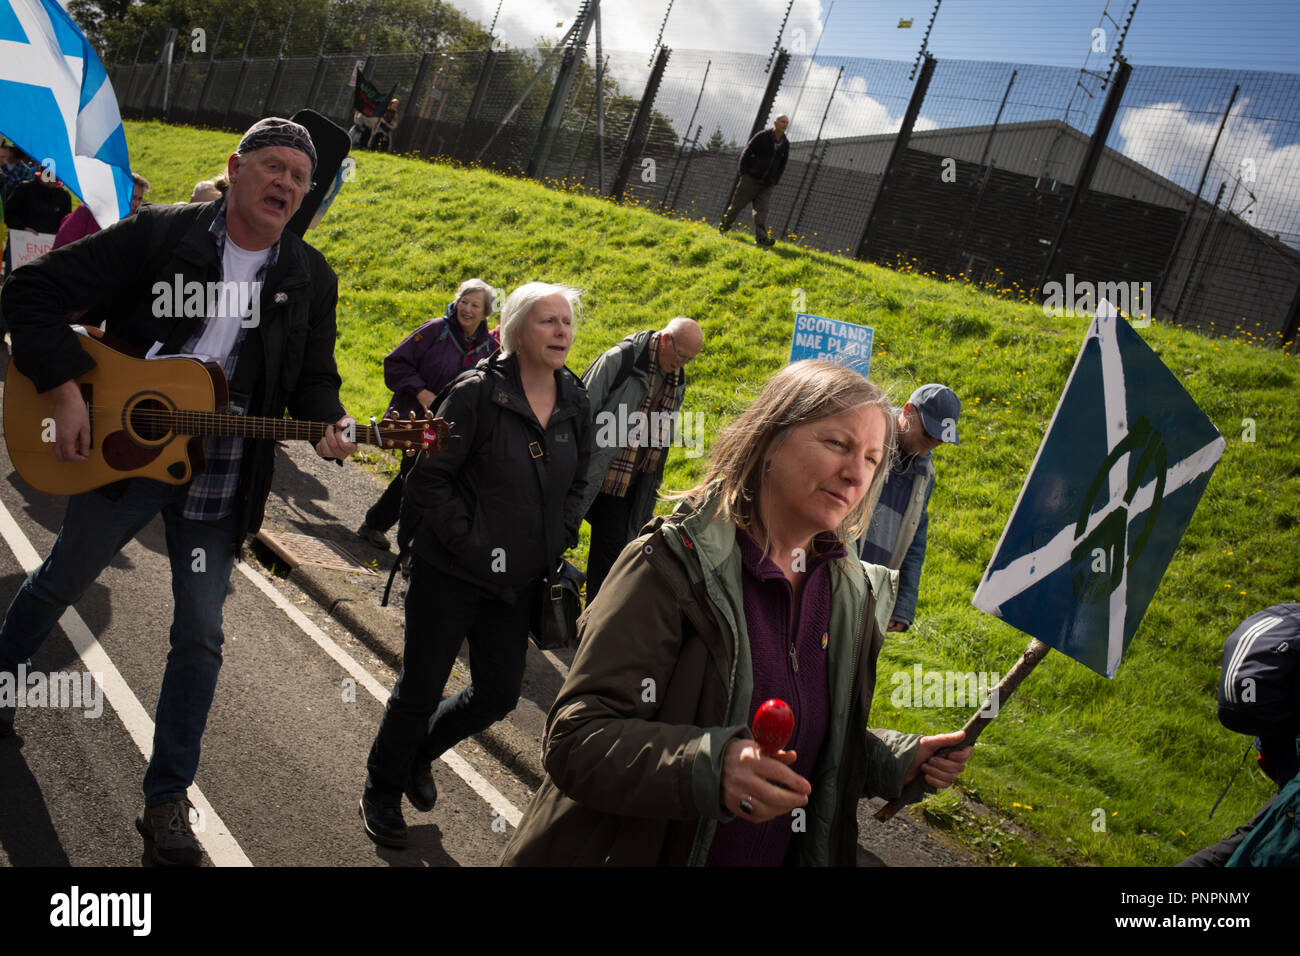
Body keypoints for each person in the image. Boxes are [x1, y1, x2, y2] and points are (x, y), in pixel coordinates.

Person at [0, 117, 357, 866]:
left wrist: (332, 421)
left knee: (201, 634)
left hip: (220, 474)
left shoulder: (309, 277)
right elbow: (28, 291)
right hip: (123, 445)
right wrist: (64, 389)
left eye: (300, 176)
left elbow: (315, 378)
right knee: (64, 575)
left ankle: (166, 801)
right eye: (273, 166)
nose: (286, 183)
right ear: (235, 167)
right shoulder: (159, 237)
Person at [500, 360, 973, 866]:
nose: (856, 473)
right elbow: (577, 740)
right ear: (770, 440)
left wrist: (891, 763)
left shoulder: (850, 594)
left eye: (872, 458)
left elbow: (816, 738)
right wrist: (710, 768)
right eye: (837, 444)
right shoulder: (669, 567)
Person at [360, 282, 591, 849]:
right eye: (548, 322)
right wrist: (473, 546)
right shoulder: (472, 393)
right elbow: (427, 480)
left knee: (499, 695)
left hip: (518, 582)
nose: (562, 331)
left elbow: (579, 481)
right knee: (420, 687)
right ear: (515, 330)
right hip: (451, 573)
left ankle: (417, 752)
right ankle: (381, 791)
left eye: (567, 322)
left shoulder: (575, 400)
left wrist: (556, 537)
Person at [357, 278, 499, 552]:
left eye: (475, 305)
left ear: (486, 313)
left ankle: (374, 524)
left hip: (452, 430)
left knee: (416, 479)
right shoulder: (436, 330)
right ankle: (410, 550)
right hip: (414, 422)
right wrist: (421, 392)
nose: (467, 309)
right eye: (464, 302)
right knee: (419, 478)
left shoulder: (488, 350)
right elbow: (395, 363)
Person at [578, 316, 703, 605]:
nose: (682, 365)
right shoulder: (620, 360)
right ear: (664, 340)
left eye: (690, 360)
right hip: (593, 470)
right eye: (681, 356)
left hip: (629, 481)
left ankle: (594, 621)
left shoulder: (676, 379)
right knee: (558, 538)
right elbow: (580, 412)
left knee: (611, 556)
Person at [856, 383, 961, 632]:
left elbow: (916, 540)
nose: (930, 446)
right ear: (908, 410)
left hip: (874, 591)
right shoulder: (865, 441)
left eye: (939, 441)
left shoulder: (926, 475)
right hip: (835, 575)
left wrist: (903, 603)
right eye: (927, 434)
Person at [719, 114, 790, 246]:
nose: (784, 124)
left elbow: (782, 164)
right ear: (775, 123)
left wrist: (774, 180)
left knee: (761, 211)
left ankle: (761, 239)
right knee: (737, 206)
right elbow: (746, 152)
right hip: (751, 179)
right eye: (782, 121)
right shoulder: (762, 136)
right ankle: (723, 229)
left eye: (786, 122)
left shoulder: (785, 144)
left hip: (767, 184)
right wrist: (744, 173)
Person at [52, 173, 151, 249]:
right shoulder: (89, 211)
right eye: (133, 197)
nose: (136, 203)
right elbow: (63, 244)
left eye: (139, 199)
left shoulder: (135, 224)